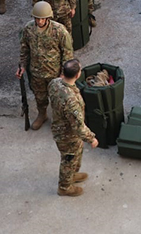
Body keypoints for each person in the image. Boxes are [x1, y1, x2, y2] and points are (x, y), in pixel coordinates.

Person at [18, 1, 74, 131]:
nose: (40, 21)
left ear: (48, 17)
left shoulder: (59, 30)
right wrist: (22, 66)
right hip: (36, 72)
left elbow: (67, 52)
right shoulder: (28, 29)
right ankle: (42, 115)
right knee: (40, 96)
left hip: (54, 73)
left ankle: (59, 120)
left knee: (58, 99)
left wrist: (64, 73)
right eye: (37, 18)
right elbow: (24, 49)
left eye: (42, 18)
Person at [48, 59, 98, 197]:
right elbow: (78, 127)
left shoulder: (54, 83)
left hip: (60, 126)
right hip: (67, 135)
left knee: (75, 156)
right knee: (68, 159)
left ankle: (72, 175)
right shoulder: (71, 101)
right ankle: (64, 187)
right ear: (77, 75)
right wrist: (91, 139)